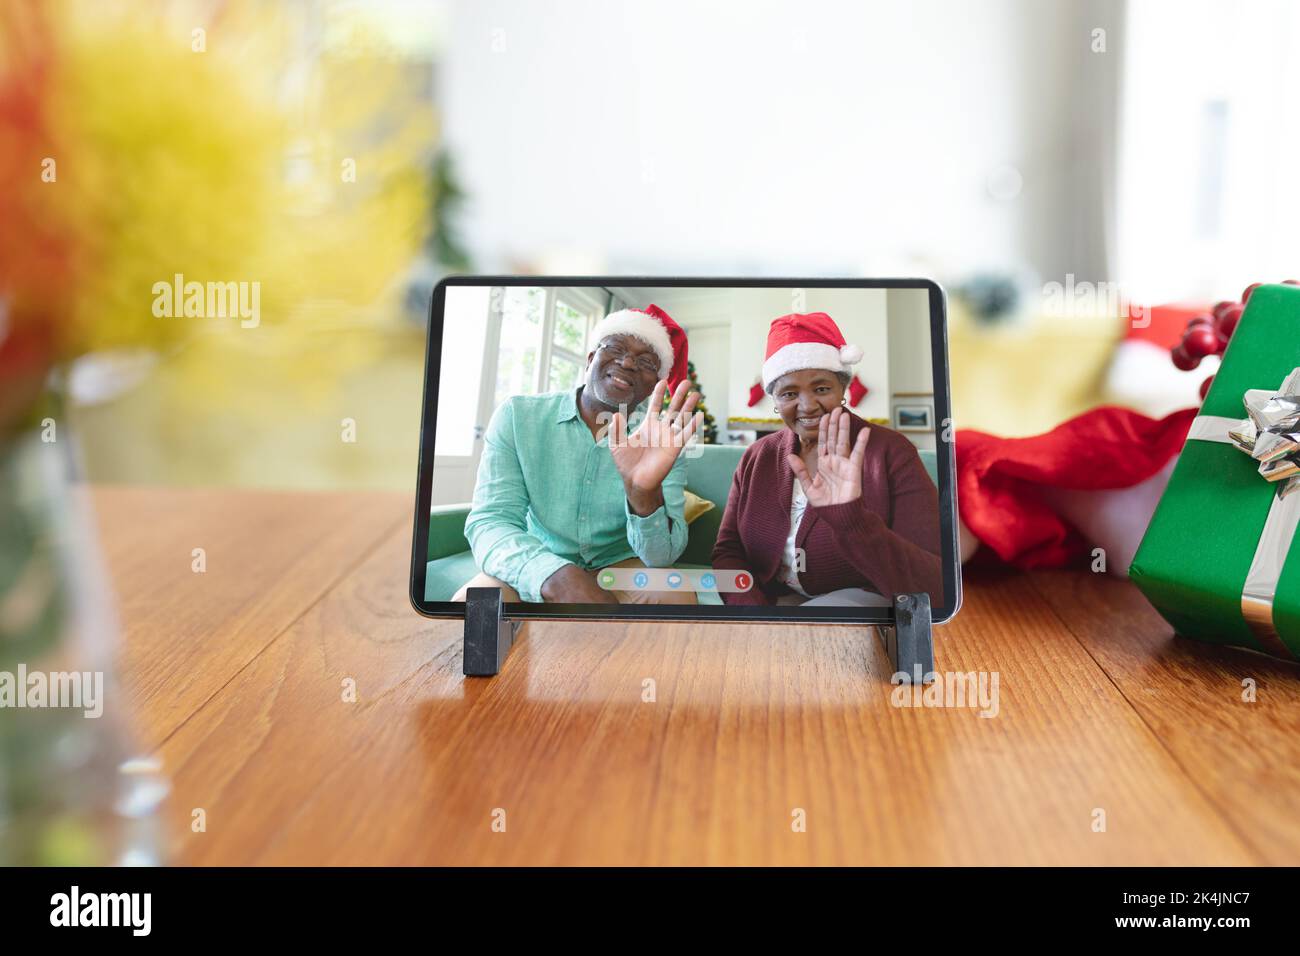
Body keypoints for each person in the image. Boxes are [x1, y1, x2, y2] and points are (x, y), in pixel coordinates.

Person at [455, 304, 703, 605]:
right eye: (615, 347)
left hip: (619, 566)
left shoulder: (664, 442)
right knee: (474, 602)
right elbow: (491, 521)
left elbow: (662, 557)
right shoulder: (518, 416)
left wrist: (642, 494)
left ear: (655, 386)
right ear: (590, 359)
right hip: (540, 558)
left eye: (647, 362)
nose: (627, 362)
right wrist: (554, 575)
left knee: (674, 594)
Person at [712, 312, 943, 606]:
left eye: (822, 388)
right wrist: (752, 610)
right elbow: (728, 551)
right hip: (773, 604)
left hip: (859, 601)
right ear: (775, 401)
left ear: (842, 389)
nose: (807, 406)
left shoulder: (892, 451)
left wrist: (853, 521)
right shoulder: (757, 456)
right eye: (789, 393)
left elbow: (935, 585)